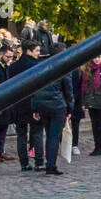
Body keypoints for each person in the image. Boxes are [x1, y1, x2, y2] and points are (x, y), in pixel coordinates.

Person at [30, 43, 73, 175]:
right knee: (54, 136)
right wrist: (70, 109)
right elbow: (68, 91)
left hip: (42, 105)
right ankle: (51, 165)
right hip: (57, 105)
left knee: (49, 135)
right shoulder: (62, 67)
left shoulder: (40, 67)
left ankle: (49, 162)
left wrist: (35, 108)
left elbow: (33, 89)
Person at [8, 41, 41, 169]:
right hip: (33, 102)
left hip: (19, 104)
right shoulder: (36, 65)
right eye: (37, 51)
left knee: (21, 135)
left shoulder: (13, 67)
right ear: (29, 51)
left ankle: (24, 163)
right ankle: (38, 161)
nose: (39, 53)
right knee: (37, 133)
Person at [79, 53, 101, 156]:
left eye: (98, 57)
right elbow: (87, 87)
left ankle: (100, 147)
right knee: (94, 125)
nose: (96, 59)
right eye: (94, 57)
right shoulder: (89, 69)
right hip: (91, 101)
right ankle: (96, 146)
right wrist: (84, 102)